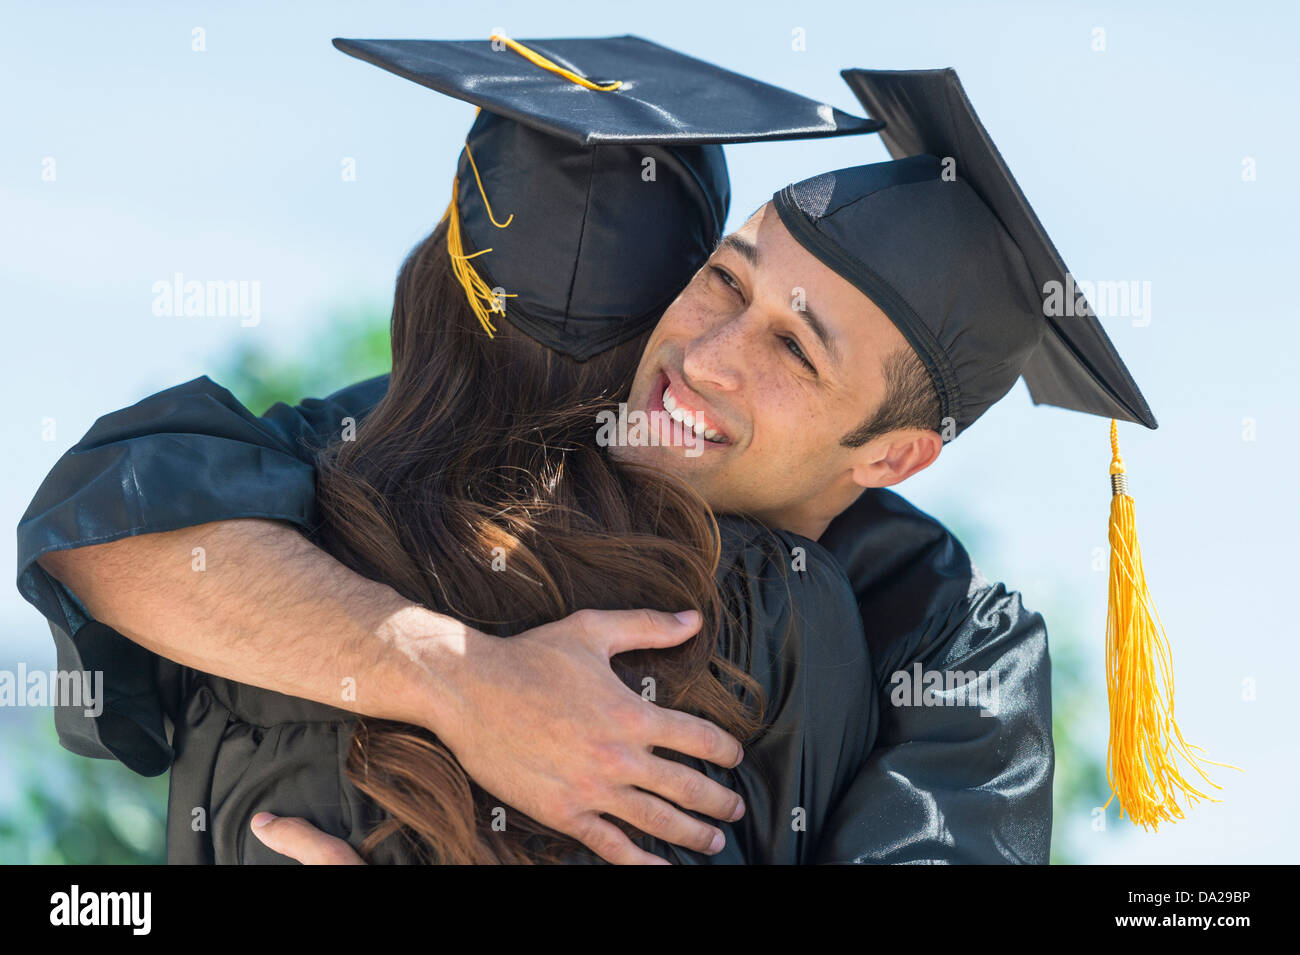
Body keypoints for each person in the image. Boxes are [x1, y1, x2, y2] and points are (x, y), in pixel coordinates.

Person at [25, 62, 1158, 865]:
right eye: (724, 277)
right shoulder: (381, 464)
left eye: (792, 349)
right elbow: (108, 529)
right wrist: (454, 674)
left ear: (895, 453)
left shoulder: (941, 635)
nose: (702, 357)